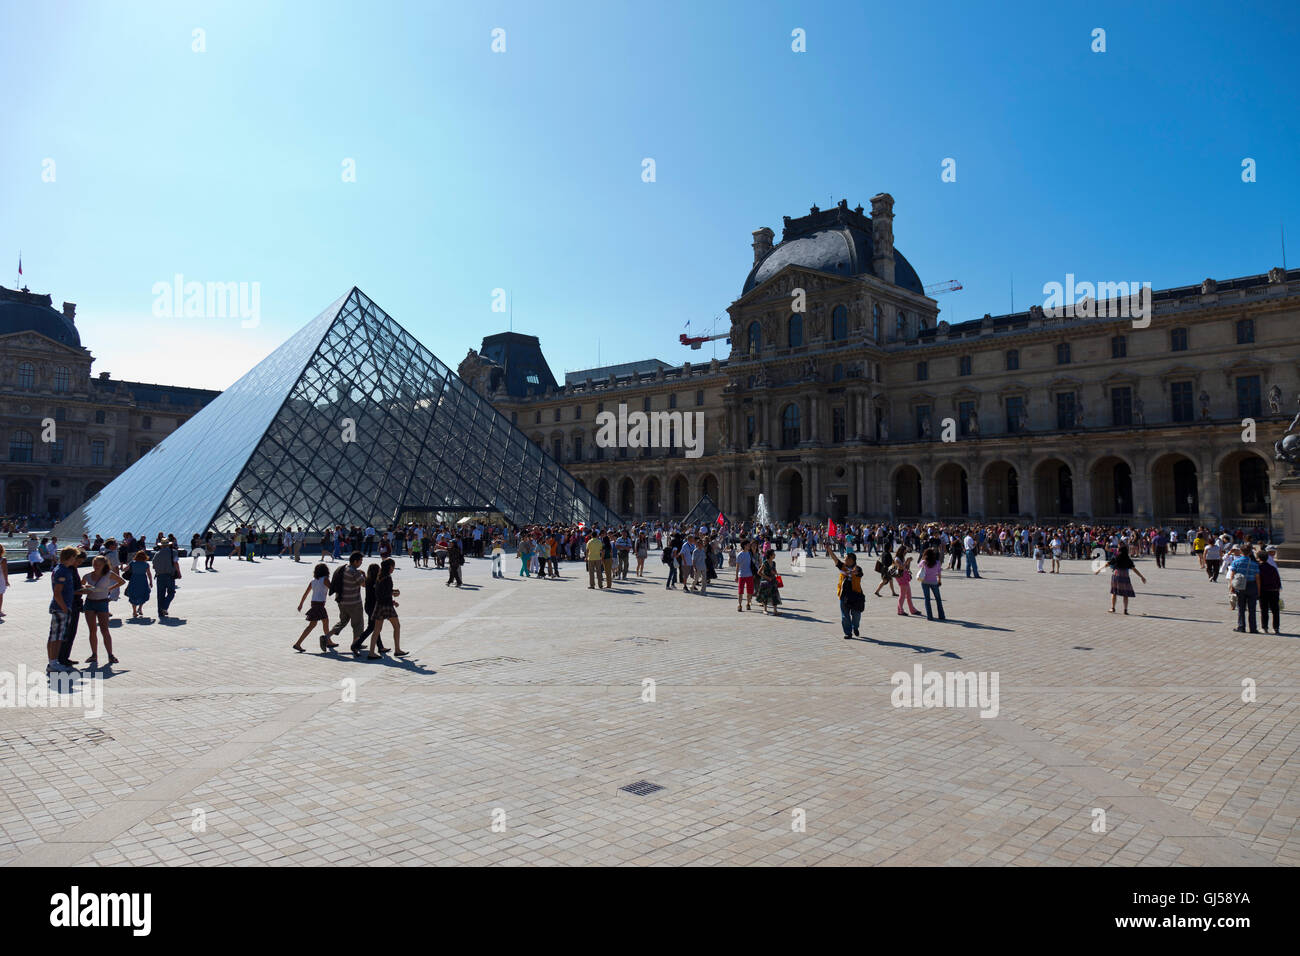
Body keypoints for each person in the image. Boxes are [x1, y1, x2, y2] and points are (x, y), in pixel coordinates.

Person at [81, 555, 125, 666]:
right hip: (90, 603)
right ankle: (94, 654)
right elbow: (80, 588)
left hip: (102, 603)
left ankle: (110, 654)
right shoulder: (87, 576)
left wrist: (109, 589)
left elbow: (122, 581)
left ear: (104, 565)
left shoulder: (108, 574)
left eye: (98, 565)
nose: (95, 566)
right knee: (92, 630)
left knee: (105, 630)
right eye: (94, 564)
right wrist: (86, 588)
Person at [47, 547, 83, 673]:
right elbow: (57, 593)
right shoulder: (62, 571)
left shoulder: (62, 569)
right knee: (55, 637)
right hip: (60, 608)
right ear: (70, 557)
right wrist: (65, 609)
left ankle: (54, 662)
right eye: (74, 557)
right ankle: (52, 663)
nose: (75, 560)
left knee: (58, 636)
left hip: (61, 607)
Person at [328, 551, 368, 653]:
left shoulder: (344, 569)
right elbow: (364, 584)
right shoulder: (355, 572)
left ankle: (326, 636)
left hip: (342, 601)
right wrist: (363, 575)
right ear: (355, 561)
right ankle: (356, 644)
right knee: (358, 624)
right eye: (360, 561)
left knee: (342, 621)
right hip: (354, 602)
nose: (361, 563)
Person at [368, 558, 406, 659]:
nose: (393, 568)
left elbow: (381, 592)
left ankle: (371, 652)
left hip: (379, 605)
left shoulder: (379, 576)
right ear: (390, 567)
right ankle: (397, 650)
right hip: (387, 606)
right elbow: (386, 593)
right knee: (397, 626)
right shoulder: (387, 578)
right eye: (393, 566)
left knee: (377, 629)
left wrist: (392, 593)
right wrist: (394, 596)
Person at [294, 563, 336, 652]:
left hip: (314, 604)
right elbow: (333, 588)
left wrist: (301, 604)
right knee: (317, 624)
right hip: (320, 605)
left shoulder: (313, 581)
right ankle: (298, 644)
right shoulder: (325, 579)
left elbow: (305, 594)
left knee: (320, 623)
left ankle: (328, 641)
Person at [1095, 544, 1146, 614]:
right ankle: (1125, 610)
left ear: (1120, 551)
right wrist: (1141, 577)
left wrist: (1099, 570)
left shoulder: (1116, 557)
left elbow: (1108, 564)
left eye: (1118, 549)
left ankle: (1113, 608)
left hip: (1116, 575)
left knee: (1114, 592)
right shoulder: (1128, 559)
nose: (1117, 550)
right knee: (1125, 594)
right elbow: (1134, 569)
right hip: (1125, 576)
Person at [827, 545, 865, 638]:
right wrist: (829, 550)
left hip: (856, 596)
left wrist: (852, 572)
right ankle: (848, 633)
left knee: (856, 615)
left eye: (846, 558)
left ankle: (855, 627)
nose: (844, 559)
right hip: (844, 595)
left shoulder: (857, 568)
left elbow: (858, 572)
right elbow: (835, 560)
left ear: (851, 560)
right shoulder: (843, 567)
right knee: (845, 616)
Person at [1228, 545, 1260, 634]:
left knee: (1241, 608)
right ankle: (1253, 628)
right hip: (1252, 586)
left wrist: (1232, 587)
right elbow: (1257, 578)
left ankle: (1241, 627)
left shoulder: (1236, 562)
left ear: (1241, 552)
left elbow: (1232, 575)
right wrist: (1258, 589)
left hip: (1240, 587)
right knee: (1252, 609)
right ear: (1250, 552)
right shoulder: (1254, 564)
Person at [152, 538, 181, 619]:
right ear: (168, 545)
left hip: (159, 576)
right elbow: (175, 563)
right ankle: (164, 607)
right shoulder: (173, 552)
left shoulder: (157, 554)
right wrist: (179, 573)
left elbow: (154, 566)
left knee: (160, 595)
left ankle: (160, 612)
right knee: (171, 592)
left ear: (161, 546)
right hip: (170, 575)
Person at [1258, 548, 1282, 635]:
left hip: (1263, 591)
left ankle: (1265, 627)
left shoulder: (1258, 568)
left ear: (1259, 558)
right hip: (1274, 590)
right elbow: (1278, 580)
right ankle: (1276, 628)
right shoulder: (1273, 568)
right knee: (1275, 610)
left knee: (1264, 610)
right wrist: (1278, 588)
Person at [124, 549, 153, 619]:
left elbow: (125, 569)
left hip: (134, 580)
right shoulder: (146, 564)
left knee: (133, 595)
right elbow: (149, 573)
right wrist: (151, 582)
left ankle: (134, 611)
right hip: (143, 580)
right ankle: (140, 608)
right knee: (143, 594)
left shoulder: (132, 563)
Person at [918, 547, 945, 621]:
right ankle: (941, 615)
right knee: (938, 599)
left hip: (925, 582)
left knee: (927, 599)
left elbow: (919, 566)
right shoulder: (937, 562)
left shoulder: (924, 562)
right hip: (934, 582)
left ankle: (929, 616)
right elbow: (939, 572)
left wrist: (923, 557)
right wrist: (939, 580)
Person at [894, 546, 922, 616]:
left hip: (905, 577)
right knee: (902, 595)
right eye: (905, 551)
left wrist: (908, 562)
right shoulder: (896, 559)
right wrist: (906, 561)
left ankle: (912, 610)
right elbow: (901, 567)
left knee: (909, 595)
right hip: (901, 578)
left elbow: (906, 568)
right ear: (902, 551)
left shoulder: (902, 558)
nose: (906, 552)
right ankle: (900, 610)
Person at [756, 549, 781, 616]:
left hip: (773, 581)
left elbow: (774, 571)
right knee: (765, 596)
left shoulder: (774, 563)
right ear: (770, 555)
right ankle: (765, 609)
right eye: (773, 554)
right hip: (765, 582)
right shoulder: (765, 563)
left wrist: (775, 572)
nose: (775, 555)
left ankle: (775, 610)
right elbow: (759, 572)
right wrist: (767, 577)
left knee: (775, 595)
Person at [735, 539, 755, 611]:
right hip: (742, 575)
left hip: (750, 575)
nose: (749, 546)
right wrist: (736, 576)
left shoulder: (749, 553)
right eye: (748, 545)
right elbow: (737, 566)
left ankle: (748, 603)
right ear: (744, 546)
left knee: (749, 591)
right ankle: (739, 605)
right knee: (740, 591)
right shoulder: (740, 554)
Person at [0, 544, 8, 618]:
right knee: (0, 595)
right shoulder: (3, 560)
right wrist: (6, 581)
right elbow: (5, 571)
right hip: (1, 579)